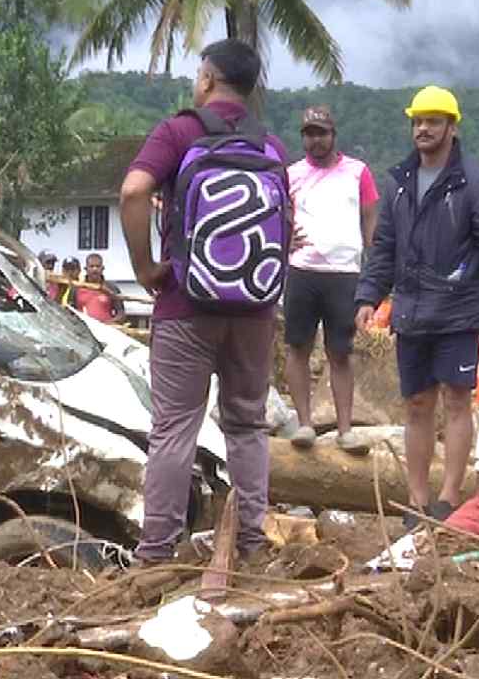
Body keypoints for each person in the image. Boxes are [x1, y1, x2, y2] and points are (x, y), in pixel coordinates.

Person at [119, 38, 287, 564]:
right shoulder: (273, 148)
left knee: (174, 428)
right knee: (247, 424)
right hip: (256, 311)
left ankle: (156, 554)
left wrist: (146, 267)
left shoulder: (179, 130)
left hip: (185, 306)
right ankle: (254, 544)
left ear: (208, 80)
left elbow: (132, 192)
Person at [354, 85, 479, 531]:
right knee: (416, 404)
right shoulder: (399, 182)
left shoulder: (473, 180)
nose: (422, 128)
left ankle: (447, 498)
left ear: (451, 126)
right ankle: (417, 500)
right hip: (410, 311)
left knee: (457, 400)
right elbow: (384, 245)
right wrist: (369, 296)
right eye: (417, 121)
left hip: (461, 310)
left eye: (432, 121)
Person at [283, 105, 379, 454]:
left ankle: (344, 429)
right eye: (309, 133)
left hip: (345, 272)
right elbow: (278, 214)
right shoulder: (290, 173)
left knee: (340, 351)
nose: (316, 140)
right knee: (298, 347)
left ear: (333, 135)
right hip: (302, 270)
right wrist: (283, 241)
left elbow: (370, 217)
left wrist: (373, 260)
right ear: (303, 138)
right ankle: (305, 424)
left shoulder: (358, 172)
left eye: (321, 133)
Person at [71, 253, 126, 324]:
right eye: (91, 266)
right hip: (82, 330)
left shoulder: (111, 288)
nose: (95, 269)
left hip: (105, 331)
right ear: (86, 269)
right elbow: (70, 313)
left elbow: (121, 314)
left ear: (102, 268)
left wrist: (107, 324)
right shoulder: (77, 288)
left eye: (97, 266)